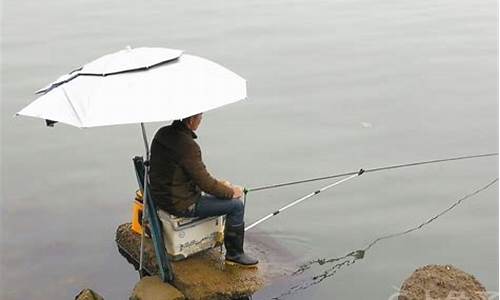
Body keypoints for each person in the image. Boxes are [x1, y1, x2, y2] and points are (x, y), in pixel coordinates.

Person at [149, 113, 258, 267]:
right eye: (199, 119)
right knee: (236, 206)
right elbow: (206, 183)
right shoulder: (188, 146)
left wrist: (220, 185)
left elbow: (184, 174)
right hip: (180, 203)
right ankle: (235, 255)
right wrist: (232, 192)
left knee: (220, 190)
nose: (200, 123)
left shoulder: (162, 133)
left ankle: (232, 249)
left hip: (161, 197)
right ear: (191, 120)